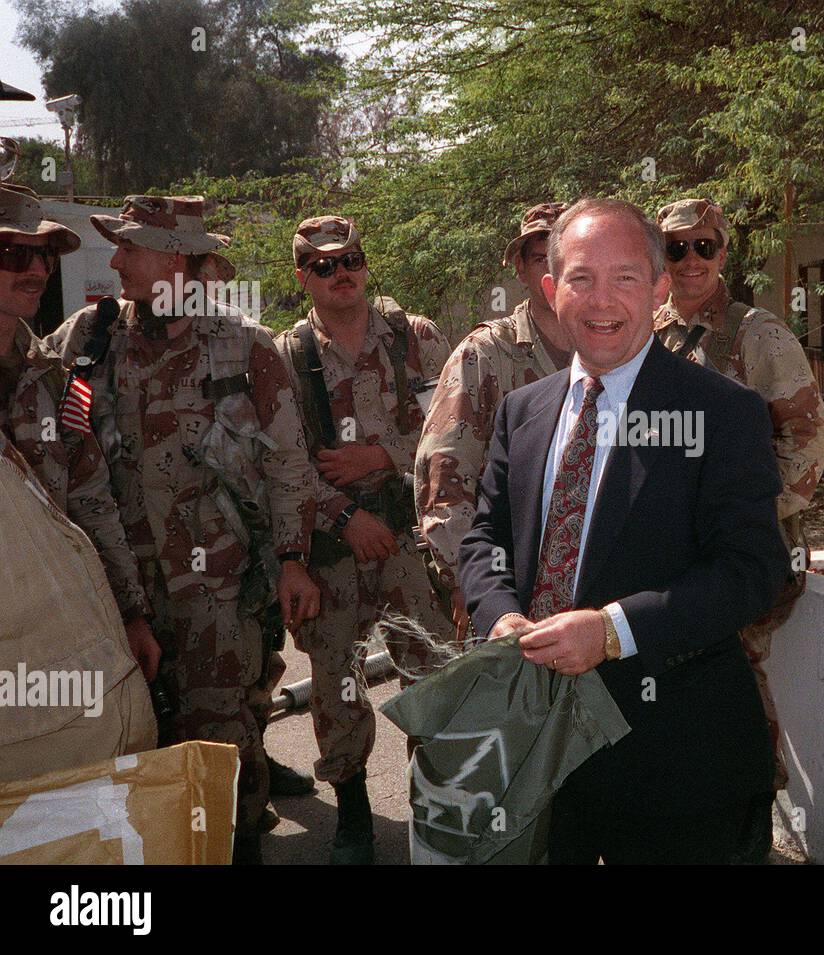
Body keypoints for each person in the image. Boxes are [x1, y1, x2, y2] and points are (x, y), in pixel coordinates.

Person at [459, 197, 790, 863]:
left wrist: (613, 629)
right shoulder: (524, 412)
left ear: (660, 288)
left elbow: (753, 570)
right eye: (581, 277)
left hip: (677, 768)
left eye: (626, 278)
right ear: (551, 290)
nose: (601, 299)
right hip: (540, 761)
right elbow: (484, 537)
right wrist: (499, 613)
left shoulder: (721, 412)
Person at [47, 195, 321, 864]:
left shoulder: (246, 347)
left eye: (128, 247)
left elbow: (288, 462)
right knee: (135, 746)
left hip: (218, 594)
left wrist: (292, 559)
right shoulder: (90, 339)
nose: (114, 261)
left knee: (225, 747)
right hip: (117, 593)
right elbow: (31, 398)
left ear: (174, 257)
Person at [273, 215, 451, 864]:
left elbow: (451, 435)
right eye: (323, 265)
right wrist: (346, 517)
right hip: (332, 550)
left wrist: (380, 456)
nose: (340, 272)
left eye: (350, 259)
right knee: (337, 686)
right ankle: (352, 815)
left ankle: (435, 806)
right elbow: (282, 465)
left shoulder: (416, 338)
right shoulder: (286, 357)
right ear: (303, 277)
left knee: (431, 675)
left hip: (406, 540)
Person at [653, 197, 824, 852]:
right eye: (676, 249)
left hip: (750, 553)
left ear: (724, 252)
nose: (691, 261)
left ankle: (754, 821)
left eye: (704, 246)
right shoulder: (649, 336)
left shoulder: (758, 334)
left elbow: (808, 447)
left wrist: (742, 513)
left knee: (736, 682)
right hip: (680, 555)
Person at [0, 187, 155, 781]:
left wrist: (131, 616)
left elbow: (91, 503)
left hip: (49, 637)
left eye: (45, 256)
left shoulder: (54, 378)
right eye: (16, 255)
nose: (37, 269)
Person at [415, 202, 572, 643]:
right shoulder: (485, 354)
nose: (557, 273)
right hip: (511, 583)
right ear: (521, 269)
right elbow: (442, 473)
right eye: (543, 257)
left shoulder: (611, 343)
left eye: (568, 258)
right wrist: (470, 581)